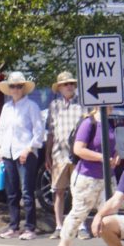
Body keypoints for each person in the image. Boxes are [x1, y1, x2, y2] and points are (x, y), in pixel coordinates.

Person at [55, 106, 117, 246]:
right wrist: (101, 157)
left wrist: (116, 155)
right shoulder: (88, 123)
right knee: (79, 212)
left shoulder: (109, 122)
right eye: (108, 103)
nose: (112, 105)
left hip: (107, 176)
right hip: (87, 176)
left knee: (110, 213)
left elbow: (111, 147)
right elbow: (78, 149)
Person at [0, 71, 45, 240]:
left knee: (27, 192)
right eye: (12, 86)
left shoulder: (32, 107)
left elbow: (39, 132)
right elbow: (0, 130)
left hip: (25, 153)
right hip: (8, 153)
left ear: (23, 88)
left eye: (18, 86)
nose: (15, 89)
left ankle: (30, 227)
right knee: (12, 192)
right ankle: (14, 226)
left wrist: (28, 149)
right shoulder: (6, 108)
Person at [45, 70, 82, 236]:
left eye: (72, 84)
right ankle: (59, 226)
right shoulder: (54, 106)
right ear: (59, 87)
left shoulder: (82, 104)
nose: (69, 86)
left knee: (78, 191)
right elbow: (51, 133)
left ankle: (79, 226)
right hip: (59, 154)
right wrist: (47, 155)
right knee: (59, 191)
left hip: (79, 155)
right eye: (66, 84)